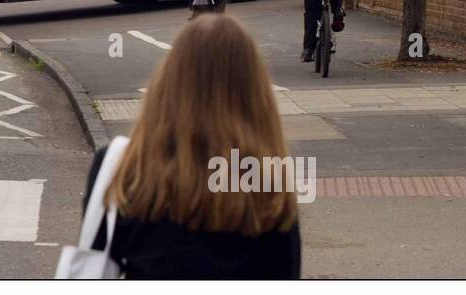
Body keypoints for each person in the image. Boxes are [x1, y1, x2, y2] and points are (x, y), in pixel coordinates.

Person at [80, 15, 302, 278]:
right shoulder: (265, 182)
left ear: (167, 83)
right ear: (254, 96)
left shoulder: (125, 167)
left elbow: (95, 261)